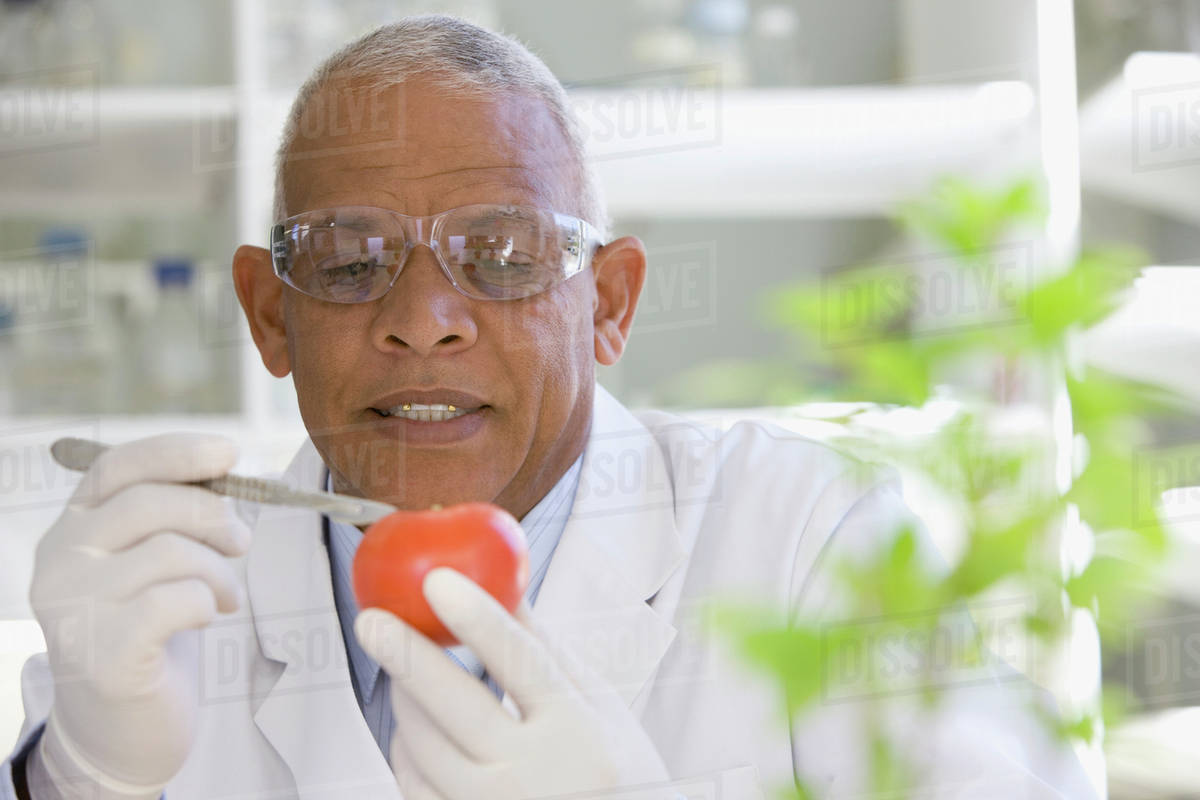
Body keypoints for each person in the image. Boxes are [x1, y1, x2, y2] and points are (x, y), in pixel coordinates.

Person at [2, 15, 1099, 800]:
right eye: (347, 260)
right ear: (269, 315)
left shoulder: (821, 545)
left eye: (505, 253)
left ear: (610, 302)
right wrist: (74, 772)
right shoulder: (162, 603)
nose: (423, 318)